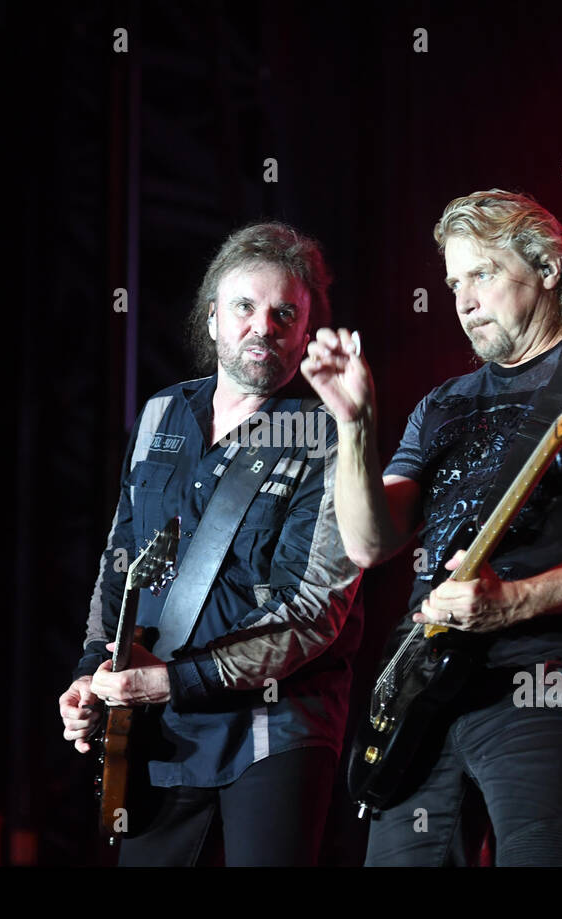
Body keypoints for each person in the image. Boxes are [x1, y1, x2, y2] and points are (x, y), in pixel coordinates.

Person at [302, 189, 562, 866]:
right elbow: (368, 542)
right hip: (424, 688)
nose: (463, 299)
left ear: (548, 268)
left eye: (482, 273)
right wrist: (354, 425)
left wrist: (513, 600)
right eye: (453, 282)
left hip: (544, 680)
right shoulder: (444, 402)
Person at [60, 221, 364, 866]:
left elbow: (314, 613)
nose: (264, 326)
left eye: (287, 313)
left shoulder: (325, 434)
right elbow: (121, 559)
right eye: (245, 307)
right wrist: (93, 675)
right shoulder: (162, 414)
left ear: (306, 332)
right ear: (212, 320)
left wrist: (173, 680)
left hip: (274, 728)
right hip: (156, 727)